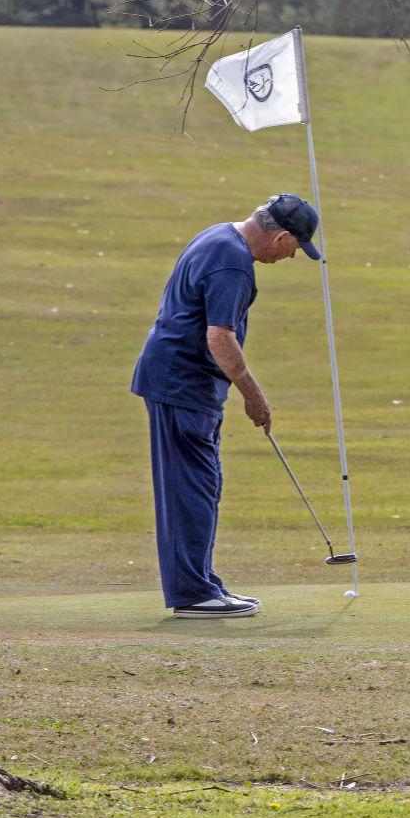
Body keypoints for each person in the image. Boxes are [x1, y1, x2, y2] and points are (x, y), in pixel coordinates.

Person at [131, 193, 322, 617]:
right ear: (282, 237)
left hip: (177, 382)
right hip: (183, 385)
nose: (292, 257)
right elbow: (220, 337)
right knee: (192, 489)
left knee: (200, 485)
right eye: (296, 249)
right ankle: (193, 594)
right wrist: (256, 398)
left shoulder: (218, 235)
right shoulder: (233, 262)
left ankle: (201, 584)